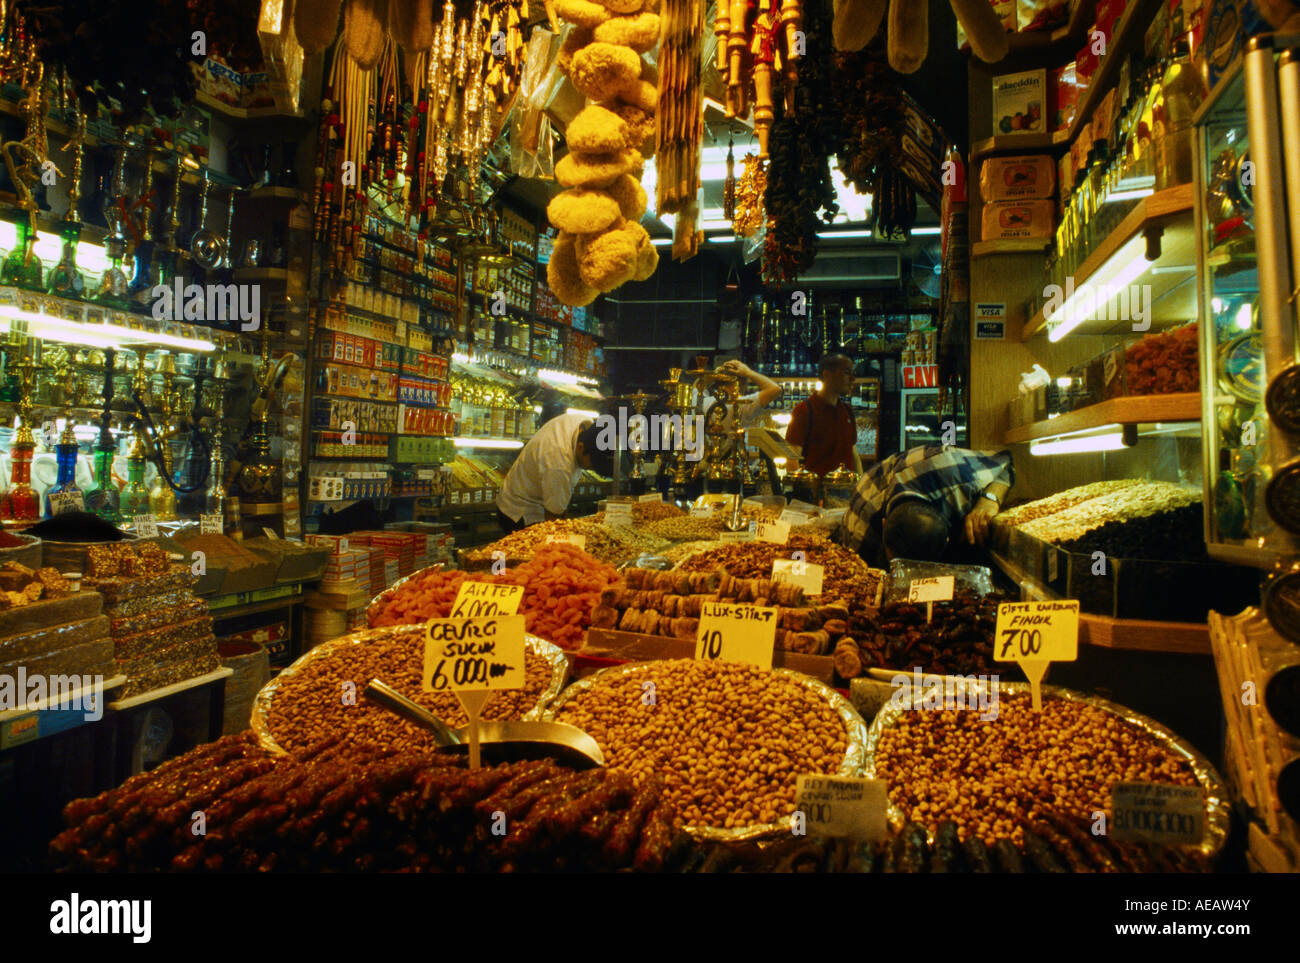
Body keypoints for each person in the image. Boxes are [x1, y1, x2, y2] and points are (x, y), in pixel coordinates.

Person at [835, 445, 1014, 567]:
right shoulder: (861, 530)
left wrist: (988, 501)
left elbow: (1006, 463)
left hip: (932, 471)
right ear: (884, 525)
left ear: (947, 536)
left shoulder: (956, 472)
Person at [495, 413, 615, 532]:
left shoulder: (584, 423)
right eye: (591, 466)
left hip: (535, 500)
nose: (590, 469)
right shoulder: (559, 464)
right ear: (580, 447)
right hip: (518, 511)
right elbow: (552, 520)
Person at [785, 353, 862, 476]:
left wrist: (860, 485)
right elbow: (792, 458)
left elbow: (853, 454)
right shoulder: (804, 411)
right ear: (827, 375)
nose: (853, 379)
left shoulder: (847, 411)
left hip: (847, 491)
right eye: (847, 372)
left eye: (853, 373)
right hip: (817, 491)